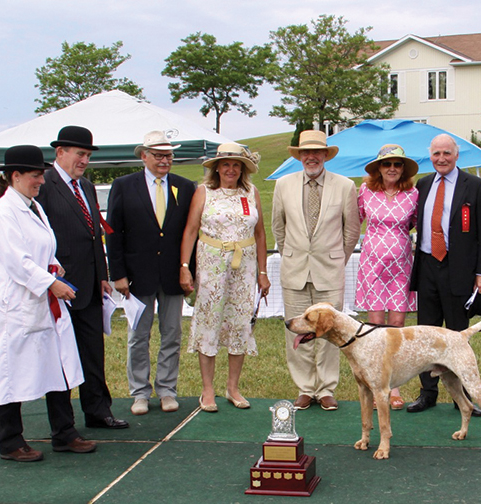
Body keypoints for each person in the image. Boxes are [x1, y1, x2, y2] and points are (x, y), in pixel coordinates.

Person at [0, 145, 96, 462]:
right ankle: (10, 441)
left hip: (44, 305)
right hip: (16, 308)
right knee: (10, 371)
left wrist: (54, 263)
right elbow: (17, 261)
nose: (41, 182)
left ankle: (64, 432)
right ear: (15, 176)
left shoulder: (33, 206)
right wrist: (52, 283)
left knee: (57, 364)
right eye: (36, 176)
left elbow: (42, 245)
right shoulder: (3, 213)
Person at [36, 126, 128, 430]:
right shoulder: (44, 185)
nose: (84, 160)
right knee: (62, 355)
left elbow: (94, 234)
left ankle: (98, 410)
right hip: (59, 287)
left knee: (92, 351)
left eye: (87, 155)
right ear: (60, 152)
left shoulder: (86, 187)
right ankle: (63, 424)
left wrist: (103, 275)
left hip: (89, 286)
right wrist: (52, 280)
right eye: (80, 154)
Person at [107, 131, 196, 416]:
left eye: (168, 155)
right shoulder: (123, 185)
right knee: (138, 336)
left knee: (172, 334)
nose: (164, 160)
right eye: (158, 155)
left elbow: (189, 233)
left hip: (172, 275)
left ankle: (167, 390)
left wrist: (189, 270)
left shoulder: (185, 186)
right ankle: (140, 393)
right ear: (143, 156)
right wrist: (118, 274)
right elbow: (114, 233)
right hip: (136, 275)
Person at [272, 130, 361, 411]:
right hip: (294, 270)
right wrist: (295, 255)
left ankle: (325, 390)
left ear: (325, 155)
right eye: (305, 153)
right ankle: (305, 389)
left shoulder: (345, 186)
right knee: (296, 332)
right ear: (299, 156)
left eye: (317, 152)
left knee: (328, 332)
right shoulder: (283, 185)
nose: (311, 157)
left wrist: (337, 259)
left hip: (330, 272)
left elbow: (352, 231)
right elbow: (279, 226)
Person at [407, 134, 481, 414]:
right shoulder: (423, 184)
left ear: (457, 156)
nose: (441, 159)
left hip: (460, 270)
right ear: (429, 157)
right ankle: (427, 393)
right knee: (425, 335)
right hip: (428, 266)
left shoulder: (476, 186)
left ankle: (465, 397)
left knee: (457, 334)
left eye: (446, 153)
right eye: (436, 154)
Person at [179, 142, 270, 412]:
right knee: (210, 322)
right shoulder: (204, 192)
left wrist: (262, 272)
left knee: (239, 323)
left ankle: (233, 387)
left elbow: (261, 234)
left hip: (244, 267)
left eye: (236, 165)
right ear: (217, 167)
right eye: (226, 164)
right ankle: (207, 390)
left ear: (243, 169)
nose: (231, 169)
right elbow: (191, 230)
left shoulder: (251, 192)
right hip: (211, 265)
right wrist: (185, 266)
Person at [356, 144, 419, 410]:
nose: (392, 168)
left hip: (401, 267)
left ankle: (394, 388)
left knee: (396, 327)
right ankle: (375, 386)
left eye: (397, 164)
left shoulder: (413, 194)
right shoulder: (365, 192)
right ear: (378, 168)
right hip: (372, 267)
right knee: (375, 328)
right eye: (386, 164)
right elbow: (355, 221)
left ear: (403, 168)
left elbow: (415, 223)